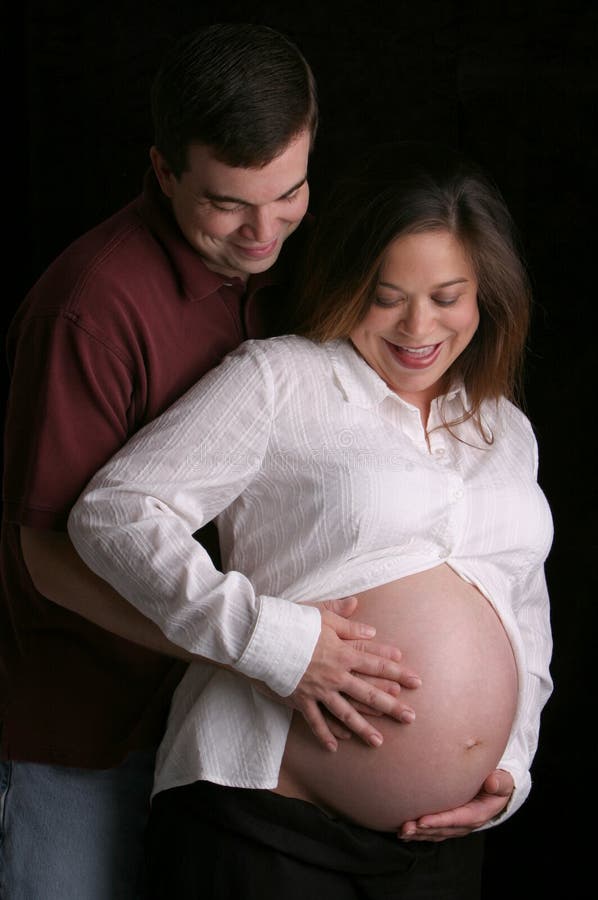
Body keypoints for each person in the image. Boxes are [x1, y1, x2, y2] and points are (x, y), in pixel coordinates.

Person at [67, 140, 553, 899]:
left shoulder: (503, 427)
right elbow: (117, 514)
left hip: (440, 851)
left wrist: (511, 766)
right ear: (350, 281)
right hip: (267, 823)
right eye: (387, 295)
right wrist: (277, 644)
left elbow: (524, 609)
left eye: (447, 296)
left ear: (486, 296)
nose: (416, 326)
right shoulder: (281, 379)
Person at [0, 24, 415, 900]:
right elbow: (45, 559)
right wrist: (250, 650)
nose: (265, 231)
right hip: (88, 722)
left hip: (235, 724)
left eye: (289, 192)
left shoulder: (300, 265)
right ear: (163, 171)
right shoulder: (90, 311)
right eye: (227, 204)